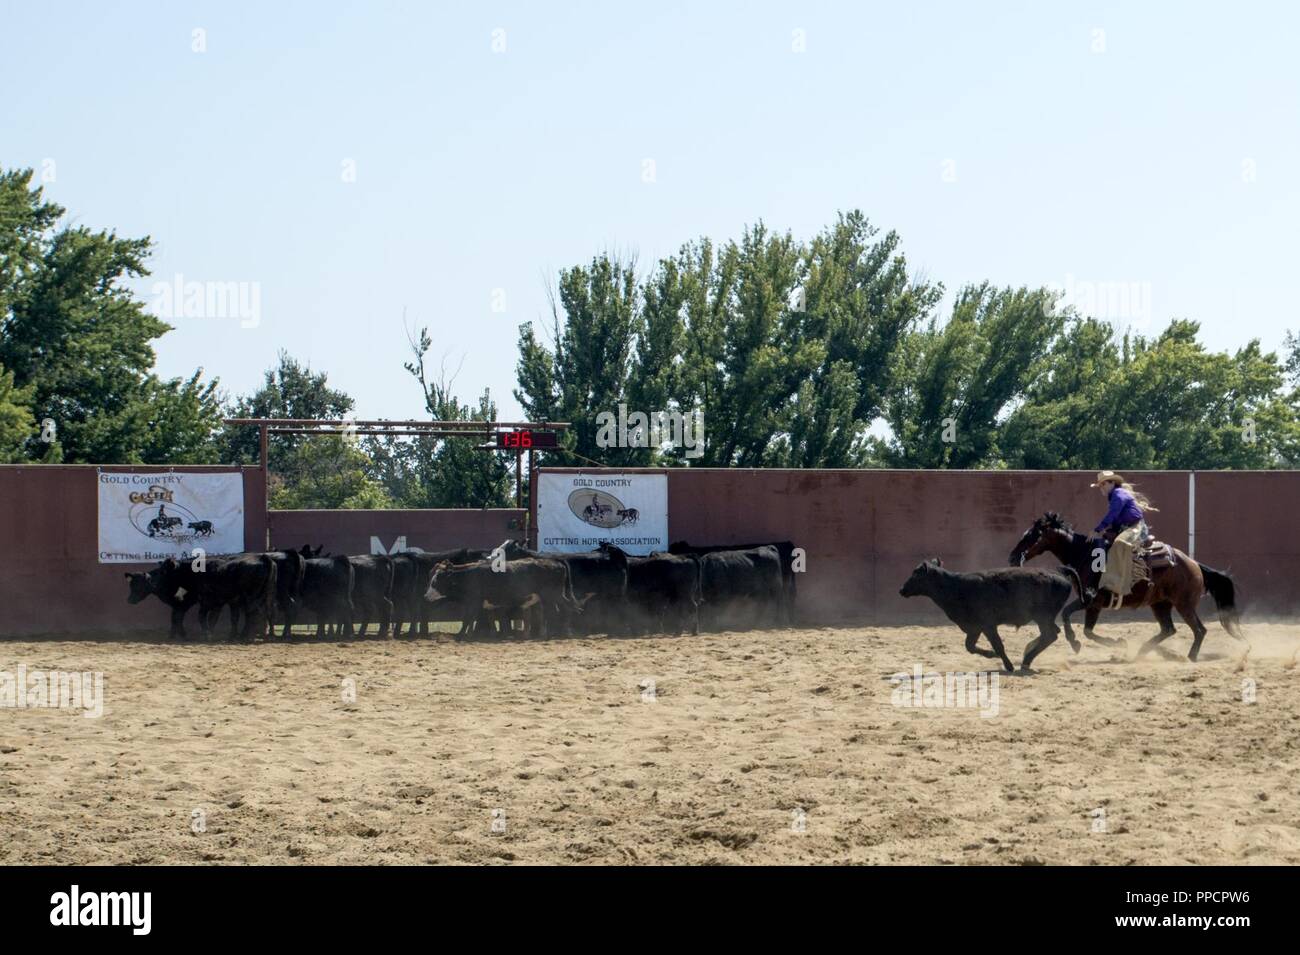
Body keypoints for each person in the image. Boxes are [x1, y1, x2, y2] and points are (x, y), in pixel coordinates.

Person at [1090, 470, 1157, 607]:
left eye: (1103, 484)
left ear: (1112, 483)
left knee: (1120, 543)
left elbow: (1113, 514)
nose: (1101, 487)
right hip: (1126, 528)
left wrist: (1098, 529)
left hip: (1136, 528)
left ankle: (1123, 582)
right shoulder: (1115, 495)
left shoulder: (1118, 494)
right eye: (1100, 485)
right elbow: (1116, 517)